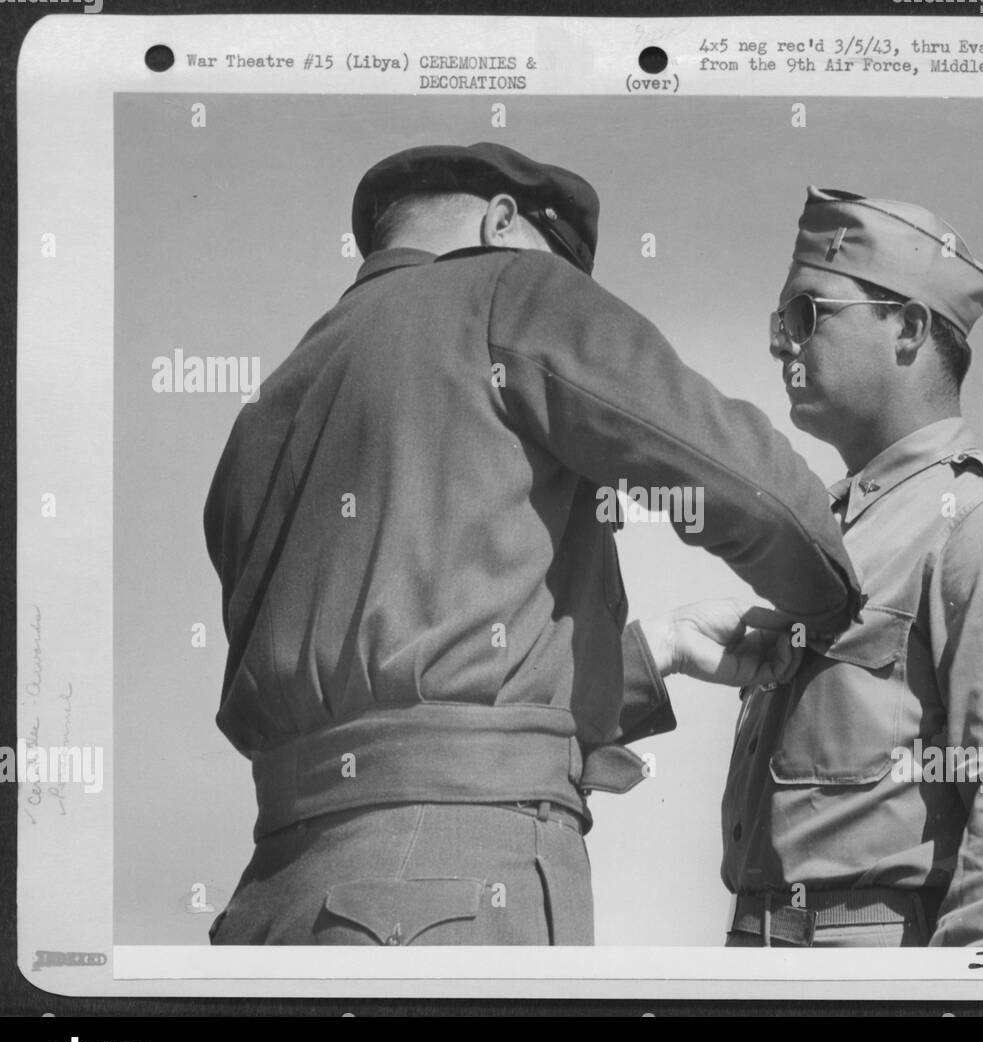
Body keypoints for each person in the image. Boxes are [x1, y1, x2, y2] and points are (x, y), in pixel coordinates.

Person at [202, 145, 860, 946]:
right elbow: (750, 487)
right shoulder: (508, 286)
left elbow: (412, 671)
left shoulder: (269, 406)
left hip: (271, 904)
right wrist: (836, 594)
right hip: (453, 886)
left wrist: (657, 651)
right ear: (503, 222)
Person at [627, 189, 983, 947]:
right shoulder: (831, 526)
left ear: (909, 327)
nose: (783, 342)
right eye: (779, 323)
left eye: (806, 315)